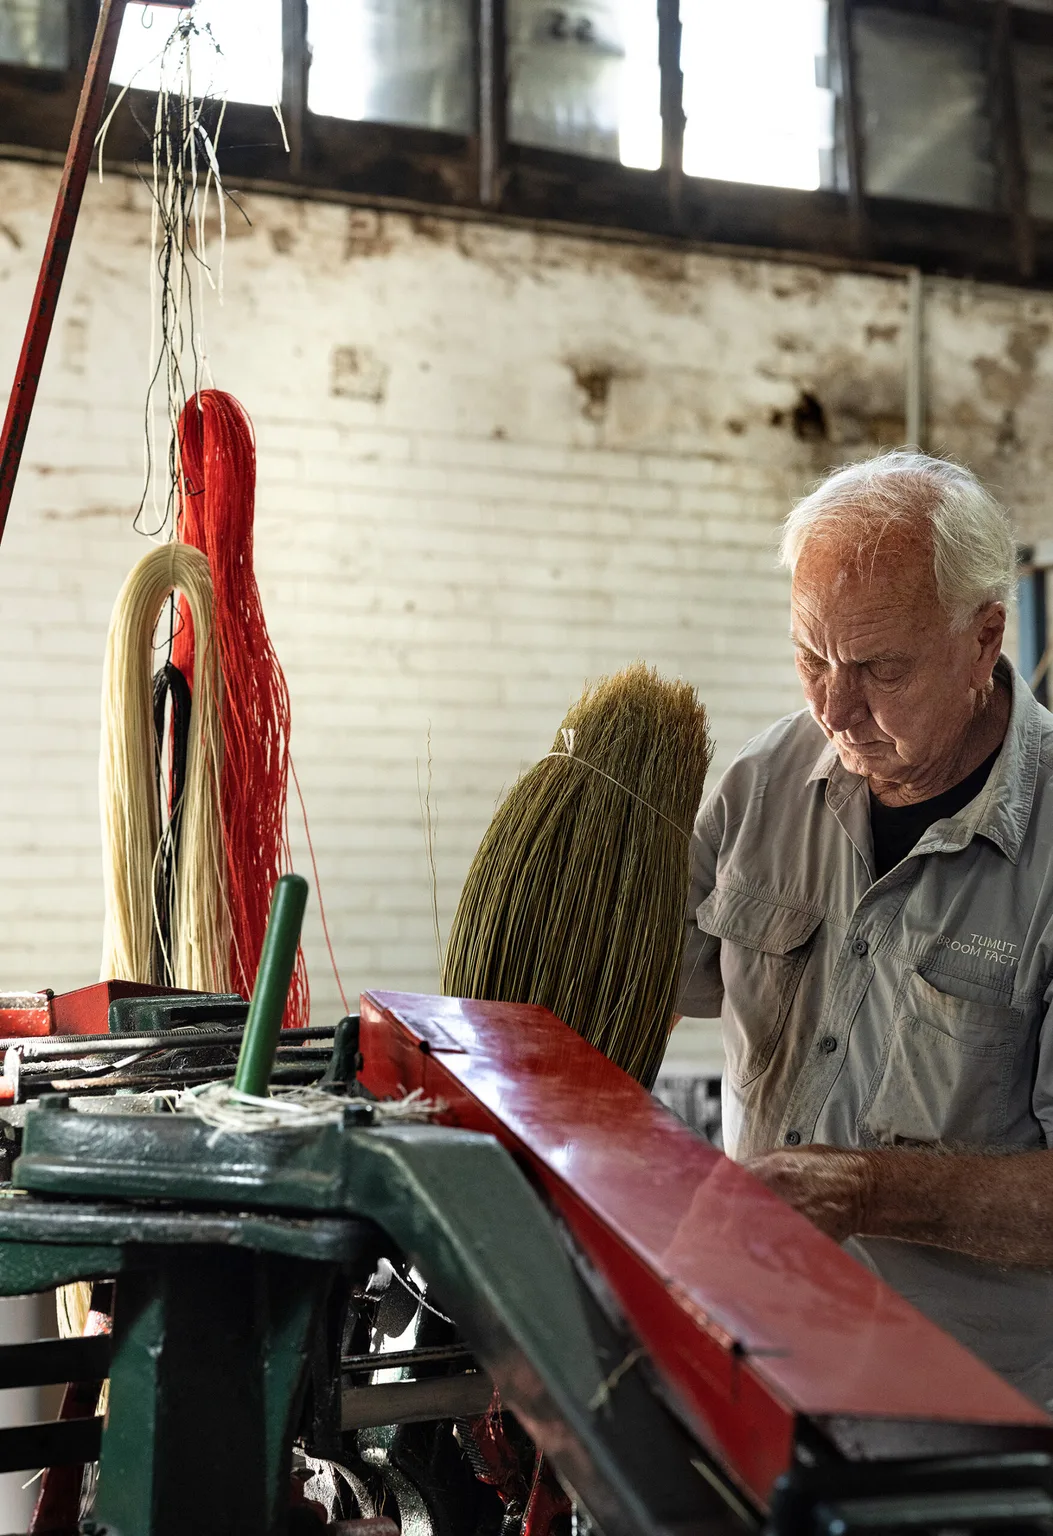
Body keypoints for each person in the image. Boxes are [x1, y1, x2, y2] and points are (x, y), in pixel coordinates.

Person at [677, 449, 1053, 1407]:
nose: (834, 709)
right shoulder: (765, 782)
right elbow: (645, 989)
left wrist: (865, 1190)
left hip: (971, 1417)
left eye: (880, 668)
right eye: (811, 657)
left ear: (982, 642)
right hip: (759, 1359)